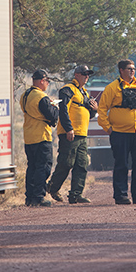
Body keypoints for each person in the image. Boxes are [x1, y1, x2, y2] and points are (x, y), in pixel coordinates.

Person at [97, 59, 136, 204]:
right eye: (129, 68)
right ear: (121, 70)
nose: (132, 71)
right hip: (120, 132)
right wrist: (108, 128)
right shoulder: (112, 88)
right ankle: (121, 195)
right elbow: (102, 109)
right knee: (121, 164)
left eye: (134, 68)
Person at [47, 65, 98, 204]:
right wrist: (69, 128)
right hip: (70, 133)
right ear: (76, 75)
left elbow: (89, 113)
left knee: (82, 163)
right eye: (84, 74)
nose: (86, 76)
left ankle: (76, 195)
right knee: (66, 162)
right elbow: (63, 110)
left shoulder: (84, 93)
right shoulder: (68, 90)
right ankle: (52, 187)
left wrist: (95, 109)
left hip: (82, 134)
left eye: (88, 74)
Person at [21, 69, 59, 207]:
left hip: (29, 136)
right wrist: (55, 106)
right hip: (41, 136)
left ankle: (29, 197)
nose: (48, 84)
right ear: (42, 81)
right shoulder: (41, 97)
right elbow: (52, 116)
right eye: (47, 81)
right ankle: (39, 197)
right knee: (43, 168)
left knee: (31, 167)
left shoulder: (25, 95)